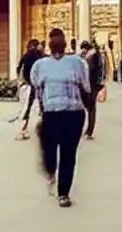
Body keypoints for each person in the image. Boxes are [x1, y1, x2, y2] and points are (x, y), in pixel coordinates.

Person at [30, 28, 91, 208]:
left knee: (68, 154)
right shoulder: (40, 66)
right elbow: (36, 90)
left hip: (73, 113)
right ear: (48, 45)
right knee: (50, 151)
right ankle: (50, 171)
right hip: (51, 114)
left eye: (59, 41)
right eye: (53, 41)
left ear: (65, 44)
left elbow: (85, 87)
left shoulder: (77, 63)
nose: (56, 44)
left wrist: (87, 109)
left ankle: (63, 193)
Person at [15, 39, 45, 138]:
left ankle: (23, 129)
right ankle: (22, 130)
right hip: (31, 86)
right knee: (30, 107)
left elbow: (18, 69)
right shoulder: (37, 56)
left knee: (26, 107)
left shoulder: (26, 56)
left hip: (25, 85)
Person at [79, 40, 107, 140]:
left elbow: (100, 69)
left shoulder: (94, 56)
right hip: (91, 84)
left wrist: (100, 82)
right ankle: (89, 130)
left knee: (90, 107)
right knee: (90, 107)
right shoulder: (90, 56)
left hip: (91, 85)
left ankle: (90, 130)